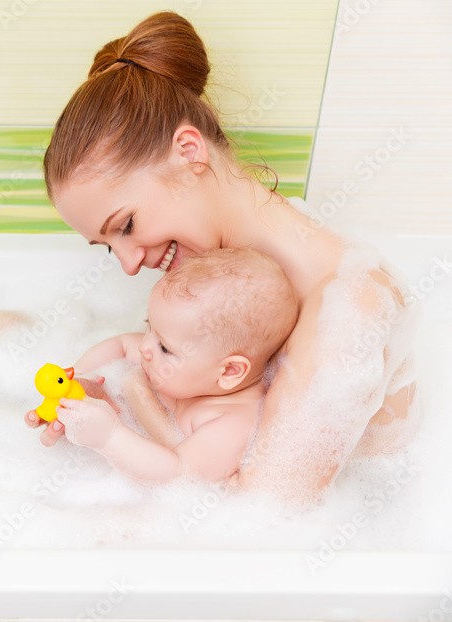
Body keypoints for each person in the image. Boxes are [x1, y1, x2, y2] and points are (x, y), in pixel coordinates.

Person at [27, 11, 418, 501]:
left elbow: (263, 524)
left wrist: (128, 425)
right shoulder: (221, 283)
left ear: (190, 151)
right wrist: (107, 393)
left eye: (126, 226)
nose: (129, 264)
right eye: (109, 247)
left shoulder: (350, 308)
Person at [47, 248, 298, 482]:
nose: (145, 347)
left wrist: (109, 437)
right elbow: (121, 345)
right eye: (148, 326)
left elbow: (176, 474)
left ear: (229, 372)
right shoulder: (176, 359)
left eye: (164, 347)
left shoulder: (231, 424)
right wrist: (80, 378)